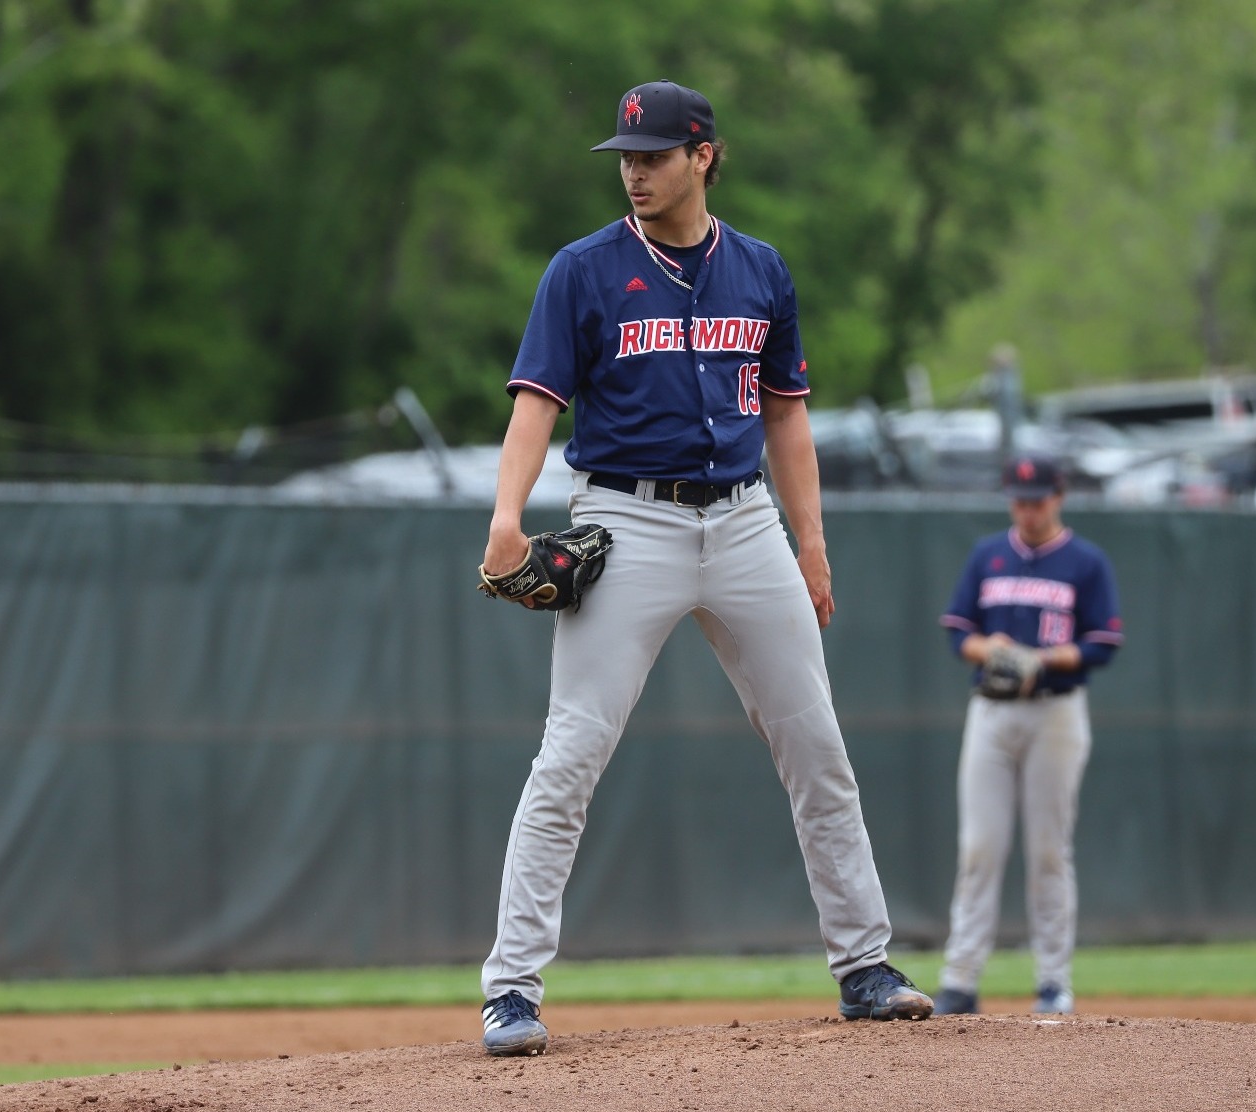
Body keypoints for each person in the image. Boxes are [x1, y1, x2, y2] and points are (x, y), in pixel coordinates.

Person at [476, 79, 932, 1057]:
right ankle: (510, 987)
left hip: (742, 521)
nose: (634, 170)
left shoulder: (760, 271)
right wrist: (507, 517)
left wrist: (810, 545)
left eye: (652, 153)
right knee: (569, 754)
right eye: (625, 156)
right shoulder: (583, 271)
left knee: (816, 747)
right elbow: (535, 404)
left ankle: (864, 965)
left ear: (703, 157)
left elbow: (785, 414)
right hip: (624, 521)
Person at [933, 455, 1122, 1016]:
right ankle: (960, 980)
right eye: (1019, 499)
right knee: (979, 847)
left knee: (1047, 850)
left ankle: (1053, 983)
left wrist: (1043, 660)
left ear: (1059, 497)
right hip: (991, 713)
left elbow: (1104, 642)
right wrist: (993, 650)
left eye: (1037, 499)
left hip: (1055, 712)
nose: (1028, 509)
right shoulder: (987, 554)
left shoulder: (1085, 562)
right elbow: (957, 631)